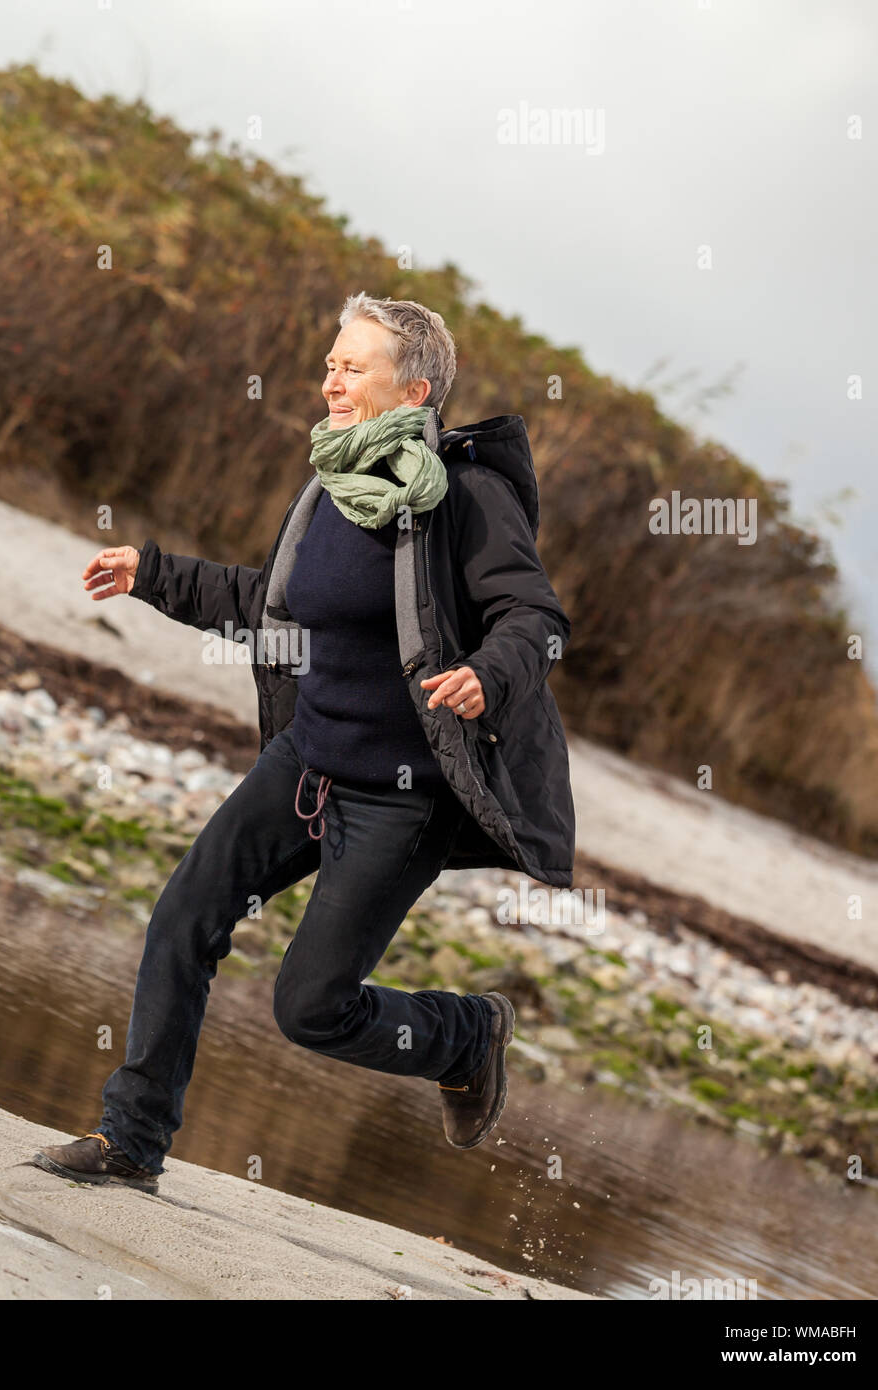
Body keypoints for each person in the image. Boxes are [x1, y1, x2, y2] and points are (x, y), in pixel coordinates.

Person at [31, 292, 574, 1194]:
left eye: (351, 366)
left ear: (415, 391)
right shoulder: (329, 481)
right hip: (307, 763)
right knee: (184, 918)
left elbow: (535, 617)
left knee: (311, 1008)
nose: (330, 381)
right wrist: (154, 574)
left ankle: (467, 1035)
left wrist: (490, 672)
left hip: (401, 799)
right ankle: (131, 1142)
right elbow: (274, 610)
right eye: (329, 362)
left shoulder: (467, 498)